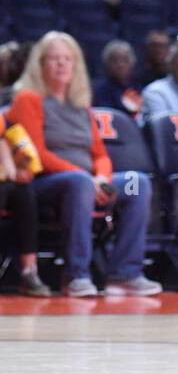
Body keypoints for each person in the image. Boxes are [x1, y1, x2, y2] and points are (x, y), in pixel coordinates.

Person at [7, 33, 160, 296]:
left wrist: (101, 178)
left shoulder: (81, 104)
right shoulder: (28, 99)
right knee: (79, 184)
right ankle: (76, 274)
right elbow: (37, 154)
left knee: (137, 183)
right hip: (45, 182)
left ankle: (125, 272)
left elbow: (100, 154)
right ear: (40, 63)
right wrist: (86, 178)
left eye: (68, 59)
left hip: (87, 181)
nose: (62, 64)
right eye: (55, 59)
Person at [0, 108, 50, 296]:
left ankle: (30, 270)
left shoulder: (8, 124)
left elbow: (32, 163)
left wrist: (22, 166)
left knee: (23, 192)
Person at [90, 40, 143, 116]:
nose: (120, 65)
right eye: (115, 60)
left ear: (132, 63)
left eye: (125, 60)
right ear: (106, 63)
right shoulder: (98, 92)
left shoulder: (139, 89)